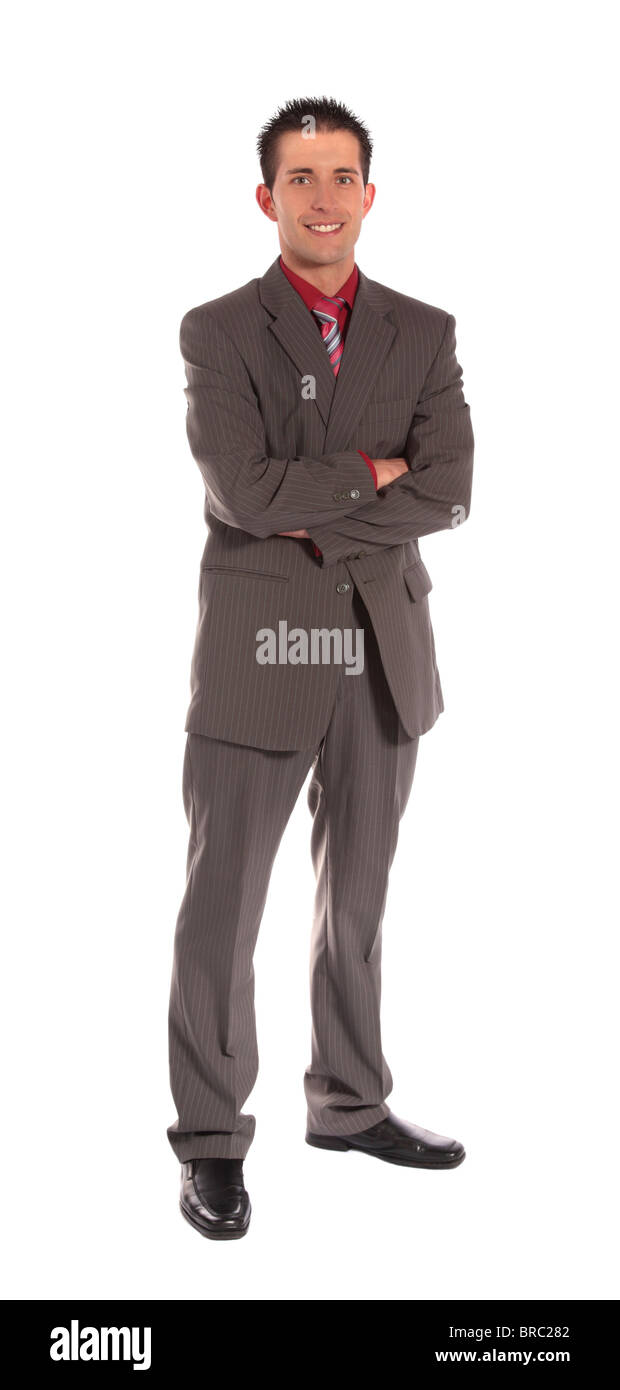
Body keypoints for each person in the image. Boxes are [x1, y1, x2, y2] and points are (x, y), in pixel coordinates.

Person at [167, 96, 475, 1240]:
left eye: (340, 176)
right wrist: (374, 476)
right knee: (222, 907)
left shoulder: (422, 329)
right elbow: (240, 491)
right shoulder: (218, 330)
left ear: (367, 193)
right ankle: (209, 1142)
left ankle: (348, 1101)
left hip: (381, 651)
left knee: (356, 901)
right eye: (300, 179)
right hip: (258, 648)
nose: (322, 197)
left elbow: (448, 490)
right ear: (267, 197)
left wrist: (326, 499)